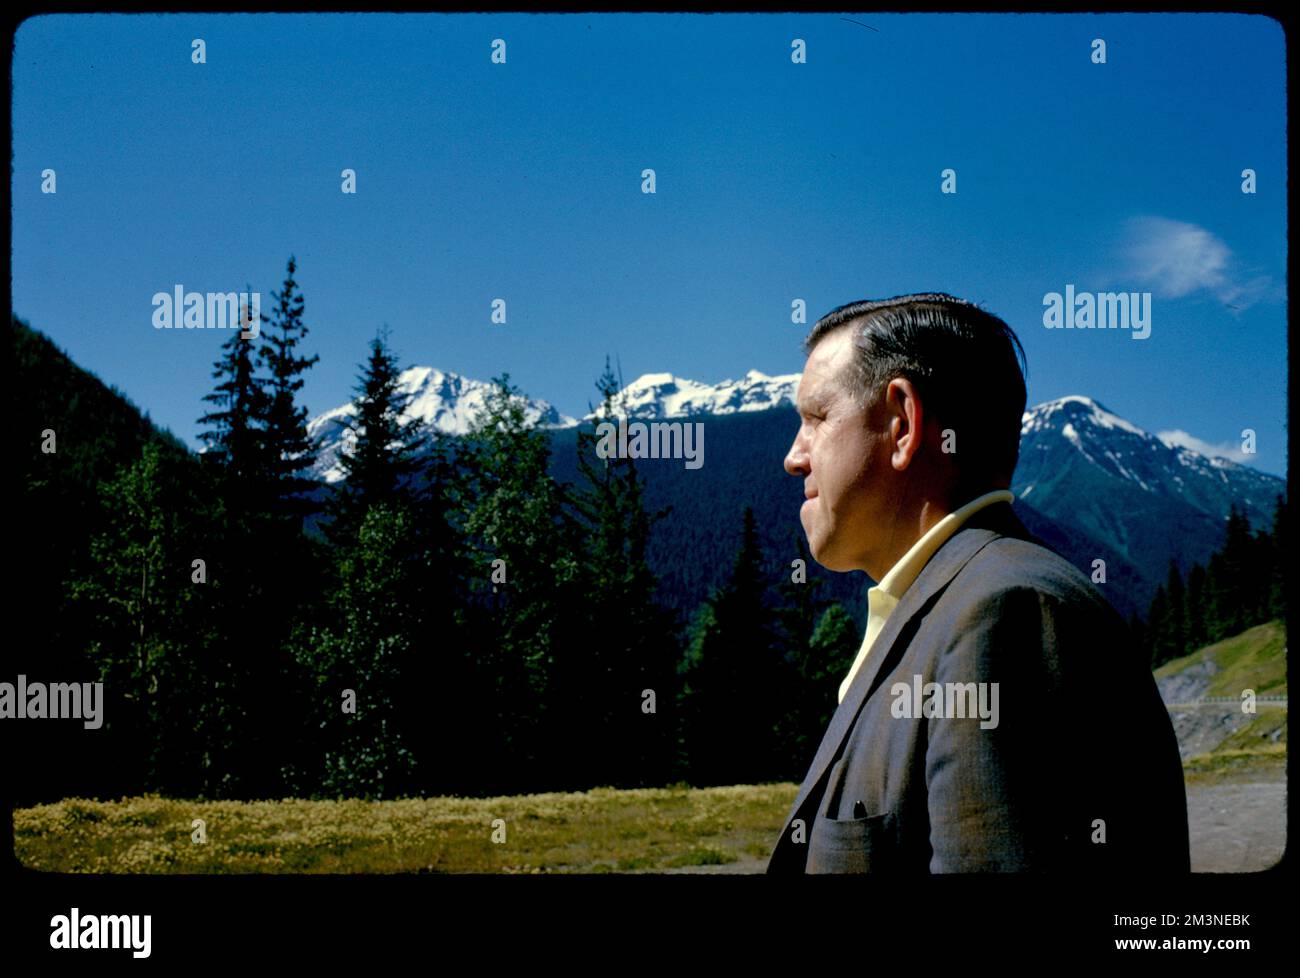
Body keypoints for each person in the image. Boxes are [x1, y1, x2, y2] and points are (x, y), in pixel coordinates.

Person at [766, 293, 1189, 873]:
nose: (794, 456)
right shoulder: (951, 606)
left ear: (903, 422)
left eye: (815, 418)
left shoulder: (1005, 613)